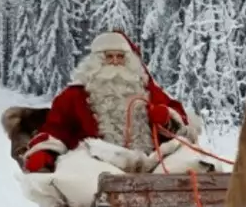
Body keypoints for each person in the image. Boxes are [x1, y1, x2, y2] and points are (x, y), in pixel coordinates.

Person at [23, 30, 195, 173]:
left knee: (190, 164)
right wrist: (45, 152)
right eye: (108, 57)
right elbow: (57, 128)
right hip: (97, 165)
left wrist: (166, 118)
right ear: (96, 61)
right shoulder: (74, 95)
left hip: (149, 163)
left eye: (120, 57)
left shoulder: (146, 89)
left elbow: (179, 118)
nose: (114, 62)